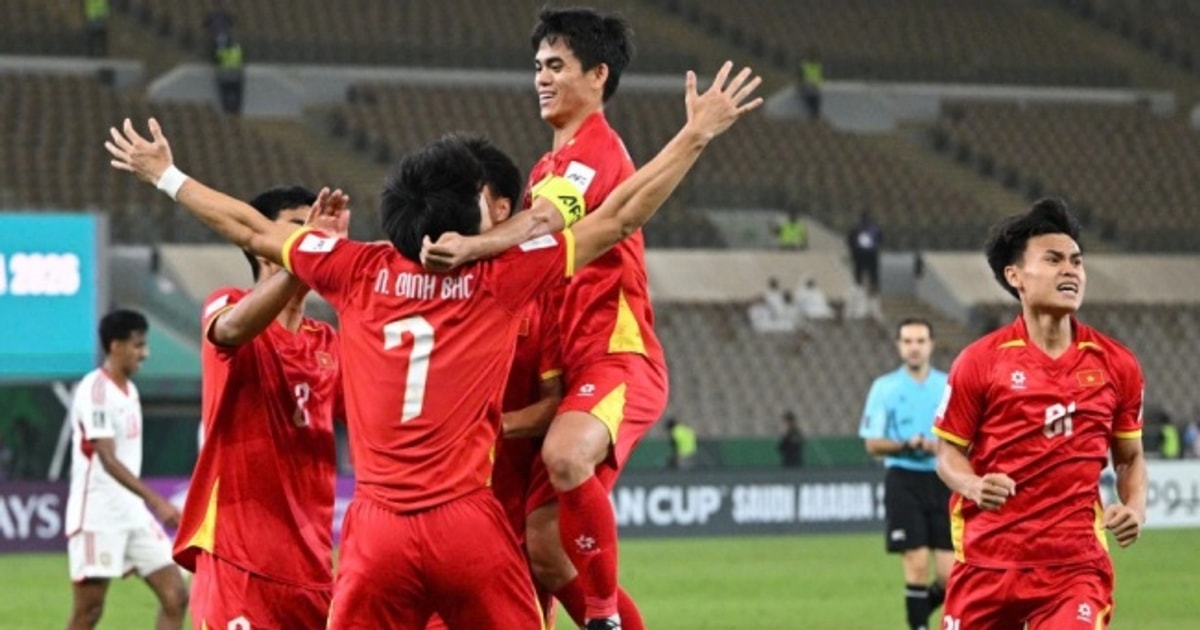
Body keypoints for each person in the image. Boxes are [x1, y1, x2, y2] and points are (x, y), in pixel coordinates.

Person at [106, 59, 762, 629]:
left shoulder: (354, 269)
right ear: (474, 211)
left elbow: (248, 228)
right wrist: (695, 134)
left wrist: (165, 174)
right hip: (465, 527)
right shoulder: (502, 275)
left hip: (378, 529)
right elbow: (619, 217)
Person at [933, 198, 1147, 629]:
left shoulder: (1116, 364)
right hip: (987, 564)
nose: (1070, 270)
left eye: (1076, 261)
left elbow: (1129, 456)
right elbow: (947, 454)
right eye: (1053, 259)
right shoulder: (980, 362)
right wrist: (973, 484)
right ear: (1016, 277)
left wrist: (1136, 506)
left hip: (1075, 568)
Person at [173, 186, 346, 629]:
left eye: (318, 227)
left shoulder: (327, 341)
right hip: (238, 556)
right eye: (299, 228)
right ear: (265, 245)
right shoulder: (227, 302)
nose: (314, 235)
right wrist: (302, 258)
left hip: (312, 569)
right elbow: (230, 331)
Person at [64, 309, 188, 630]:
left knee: (176, 596)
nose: (144, 353)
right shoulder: (95, 390)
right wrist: (157, 500)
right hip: (97, 514)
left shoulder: (129, 391)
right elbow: (107, 458)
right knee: (89, 612)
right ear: (115, 345)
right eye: (137, 345)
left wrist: (144, 504)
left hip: (132, 514)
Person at [858, 317, 951, 630]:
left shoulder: (949, 385)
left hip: (944, 479)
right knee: (916, 563)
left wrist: (938, 446)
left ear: (931, 345)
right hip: (904, 478)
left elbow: (967, 439)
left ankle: (916, 616)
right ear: (899, 346)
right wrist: (905, 444)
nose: (914, 348)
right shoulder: (884, 387)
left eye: (920, 341)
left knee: (950, 577)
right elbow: (872, 443)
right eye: (908, 341)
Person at [797, 46, 823, 120]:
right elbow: (801, 76)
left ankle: (814, 115)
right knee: (813, 101)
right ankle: (814, 115)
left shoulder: (818, 65)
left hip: (815, 87)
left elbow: (819, 76)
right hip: (808, 86)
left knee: (815, 101)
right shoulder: (805, 65)